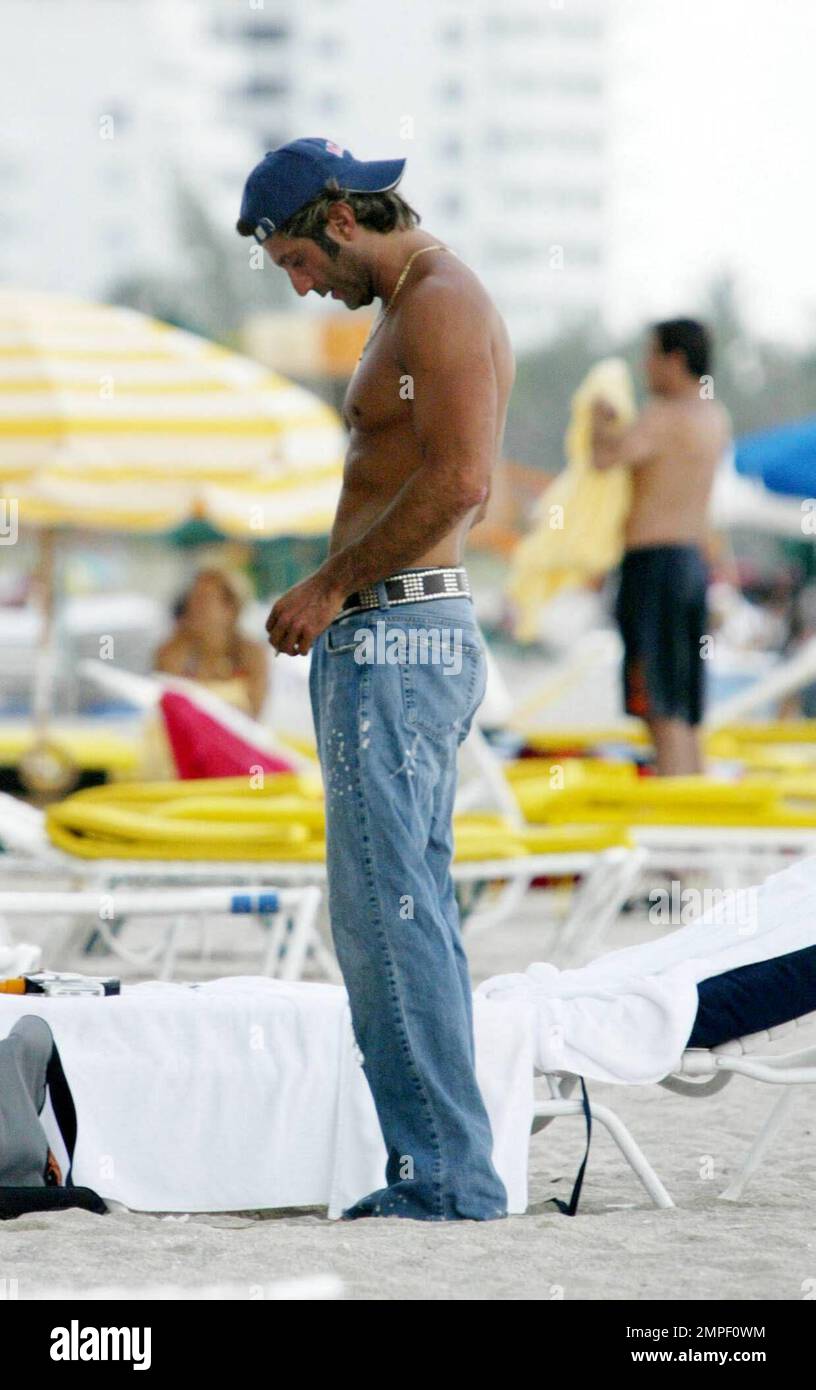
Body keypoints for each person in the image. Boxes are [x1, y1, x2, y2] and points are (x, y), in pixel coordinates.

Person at [236, 138, 514, 1220]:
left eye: (300, 261)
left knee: (386, 920)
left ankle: (443, 1178)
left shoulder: (437, 300)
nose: (304, 286)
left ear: (343, 217)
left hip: (397, 638)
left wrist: (330, 584)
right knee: (409, 912)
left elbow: (462, 479)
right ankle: (450, 1167)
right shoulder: (421, 301)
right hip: (402, 636)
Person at [591, 319, 731, 775]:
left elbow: (603, 458)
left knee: (657, 704)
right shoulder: (715, 417)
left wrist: (599, 420)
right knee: (684, 705)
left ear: (676, 360)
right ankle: (693, 794)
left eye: (652, 355)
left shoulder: (663, 416)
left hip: (653, 565)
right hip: (691, 564)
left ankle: (674, 801)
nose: (644, 366)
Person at [154, 568, 268, 718]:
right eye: (193, 597)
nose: (194, 606)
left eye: (204, 599)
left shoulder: (251, 654)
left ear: (231, 609)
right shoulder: (173, 649)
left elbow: (254, 712)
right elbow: (166, 706)